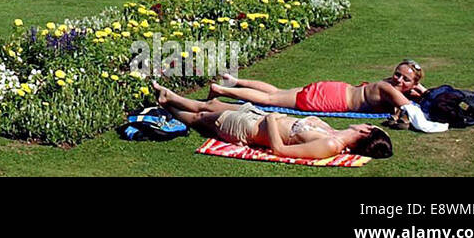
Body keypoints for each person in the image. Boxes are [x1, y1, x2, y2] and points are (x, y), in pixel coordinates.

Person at [153, 83, 394, 160]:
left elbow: (279, 150)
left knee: (200, 118)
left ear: (366, 131)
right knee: (211, 105)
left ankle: (167, 103)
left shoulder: (330, 145)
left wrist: (270, 120)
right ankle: (169, 97)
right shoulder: (335, 132)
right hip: (258, 118)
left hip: (250, 128)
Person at [207, 60, 447, 132]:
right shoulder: (390, 89)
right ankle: (222, 91)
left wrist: (420, 89)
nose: (399, 80)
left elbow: (415, 94)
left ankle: (235, 81)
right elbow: (414, 113)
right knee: (271, 100)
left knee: (277, 92)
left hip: (334, 89)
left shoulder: (390, 86)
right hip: (331, 100)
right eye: (397, 75)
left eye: (405, 79)